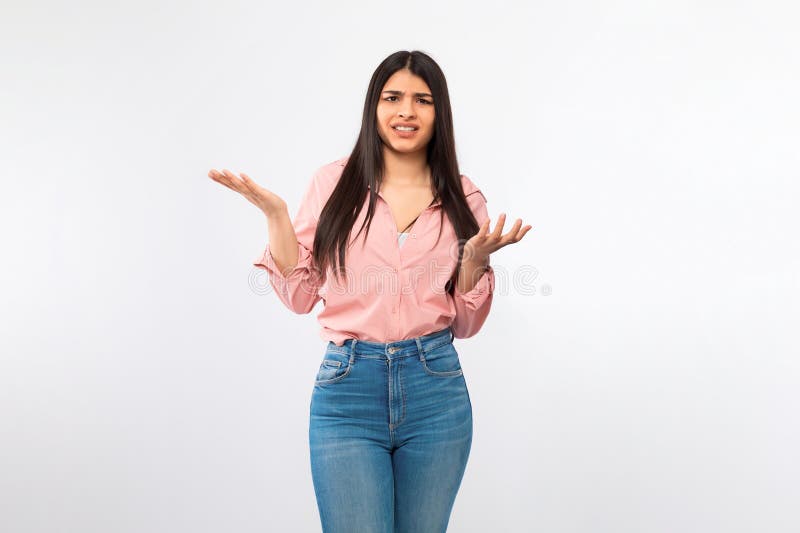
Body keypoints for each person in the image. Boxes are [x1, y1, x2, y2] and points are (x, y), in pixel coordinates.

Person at [209, 50, 531, 533]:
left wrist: (474, 262)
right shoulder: (333, 184)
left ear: (439, 113)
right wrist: (277, 216)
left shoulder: (465, 199)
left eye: (422, 100)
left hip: (436, 392)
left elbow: (466, 325)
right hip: (348, 392)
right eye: (393, 97)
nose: (406, 111)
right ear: (373, 107)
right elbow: (299, 298)